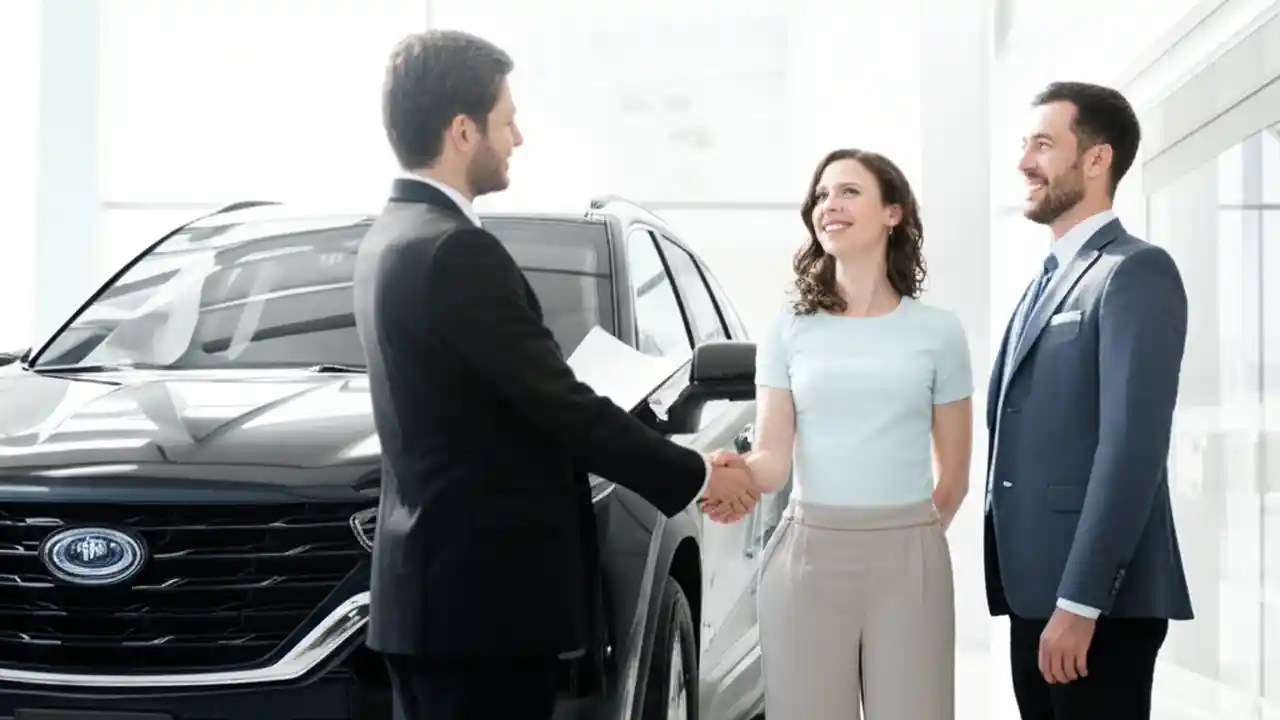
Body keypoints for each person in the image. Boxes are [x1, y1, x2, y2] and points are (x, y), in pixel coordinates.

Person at [351, 30, 758, 720]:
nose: (519, 137)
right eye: (506, 120)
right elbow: (558, 405)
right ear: (462, 130)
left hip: (432, 603)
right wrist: (695, 476)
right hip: (484, 612)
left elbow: (493, 402)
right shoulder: (457, 252)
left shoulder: (389, 238)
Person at [705, 148, 974, 719]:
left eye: (849, 191)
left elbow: (954, 477)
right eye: (822, 196)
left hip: (909, 561)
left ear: (892, 212)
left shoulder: (939, 333)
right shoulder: (788, 331)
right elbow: (775, 458)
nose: (830, 205)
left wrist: (906, 538)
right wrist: (739, 471)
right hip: (807, 560)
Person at [985, 81, 1193, 720]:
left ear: (1097, 159)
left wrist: (1080, 602)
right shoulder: (1045, 281)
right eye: (1025, 145)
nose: (1025, 162)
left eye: (1044, 144)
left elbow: (1132, 447)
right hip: (1034, 595)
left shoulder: (1134, 271)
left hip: (1098, 604)